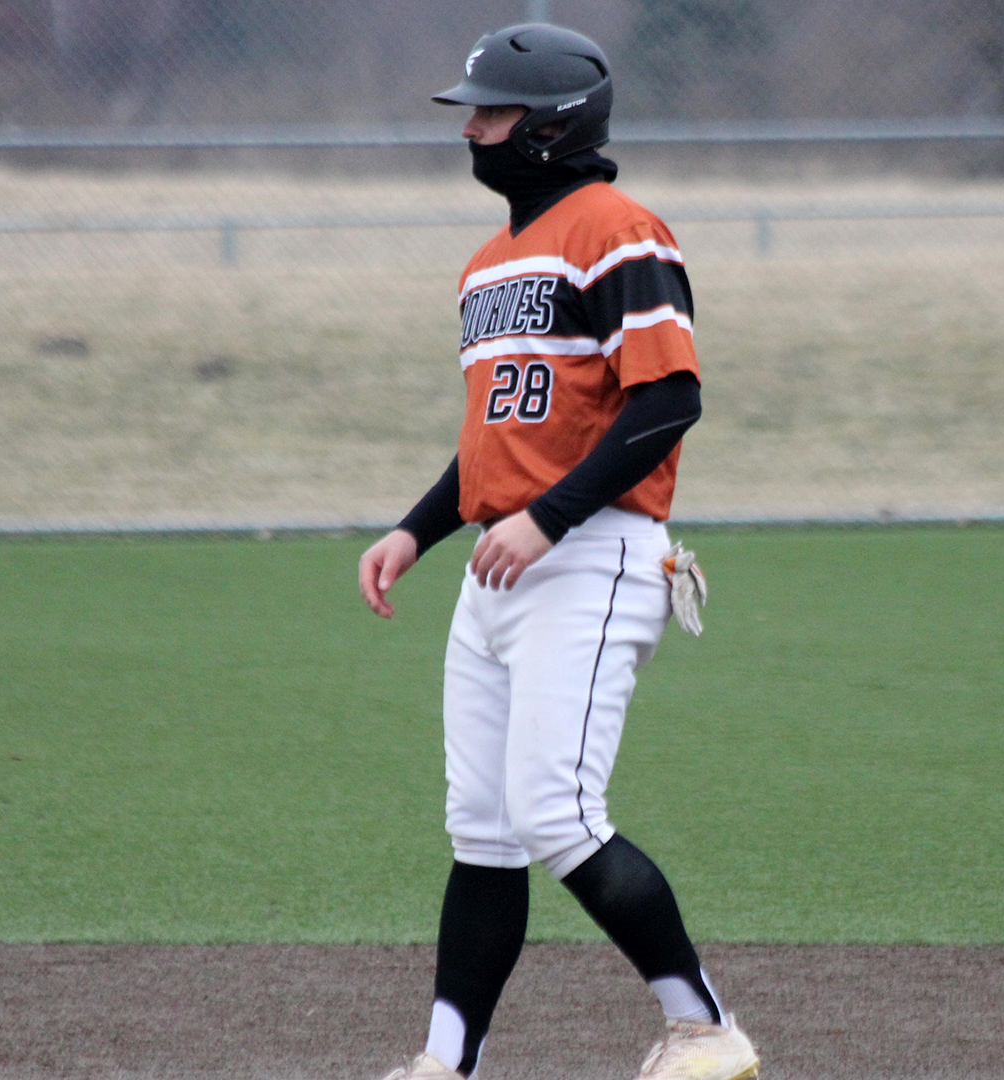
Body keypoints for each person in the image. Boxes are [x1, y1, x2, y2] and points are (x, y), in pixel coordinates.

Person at [355, 23, 757, 1080]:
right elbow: (498, 442)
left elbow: (670, 400)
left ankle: (708, 1029)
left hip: (593, 553)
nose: (473, 129)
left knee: (555, 812)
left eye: (491, 112)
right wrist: (415, 529)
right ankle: (446, 1064)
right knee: (482, 830)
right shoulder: (487, 265)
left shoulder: (618, 229)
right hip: (505, 564)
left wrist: (550, 519)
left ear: (550, 125)